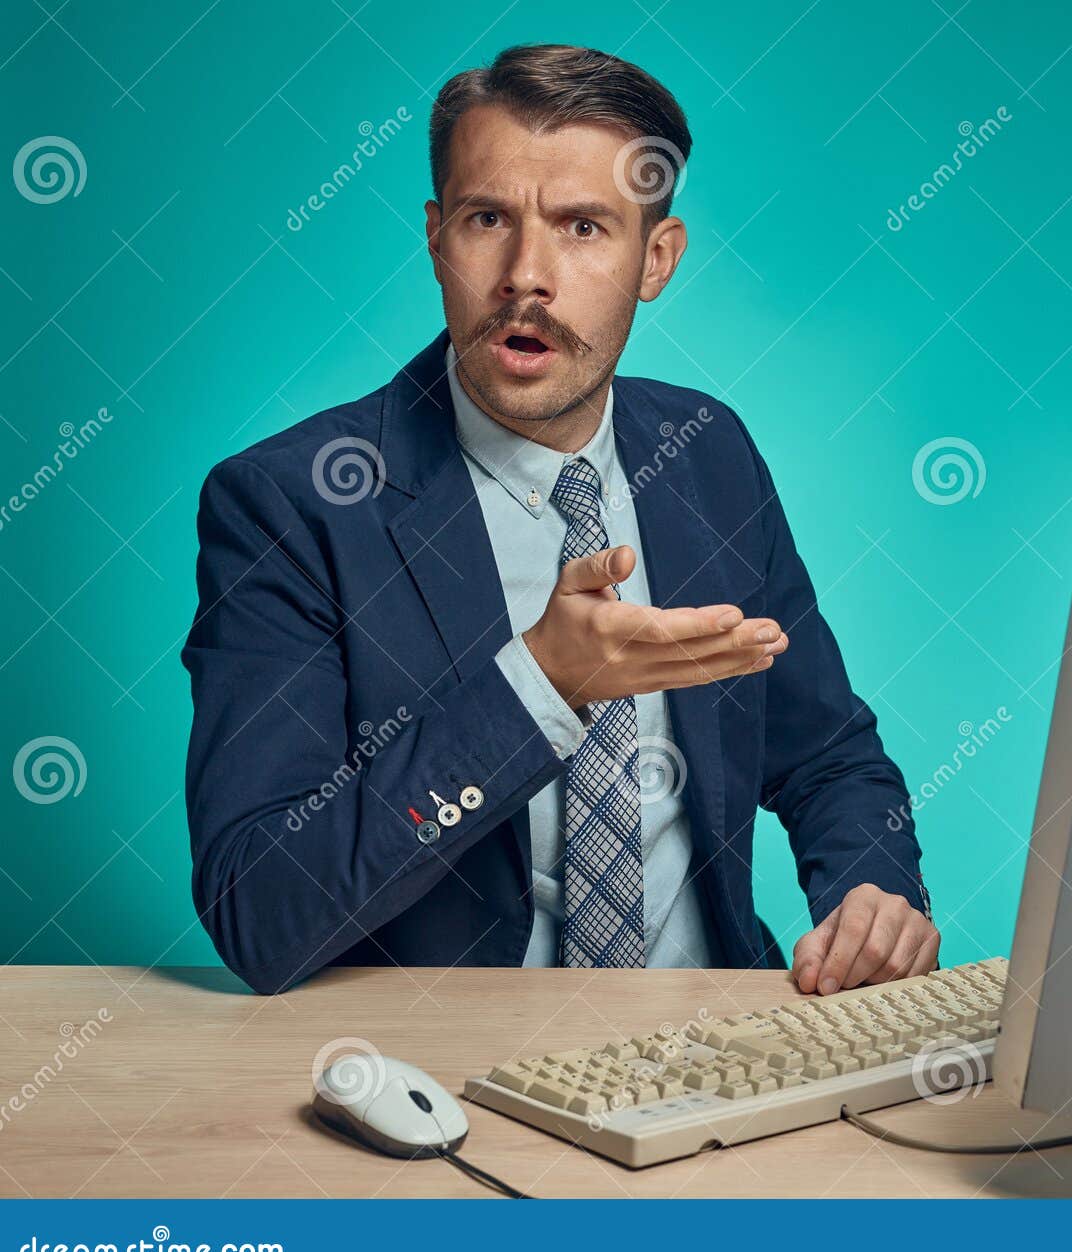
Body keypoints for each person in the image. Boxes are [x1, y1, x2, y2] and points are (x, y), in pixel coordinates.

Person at [182, 43, 936, 996]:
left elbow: (828, 755)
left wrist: (876, 891)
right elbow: (261, 909)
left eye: (583, 227)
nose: (525, 276)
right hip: (452, 1078)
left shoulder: (710, 452)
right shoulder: (290, 504)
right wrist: (537, 685)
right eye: (487, 218)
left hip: (718, 1052)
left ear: (654, 260)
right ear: (436, 238)